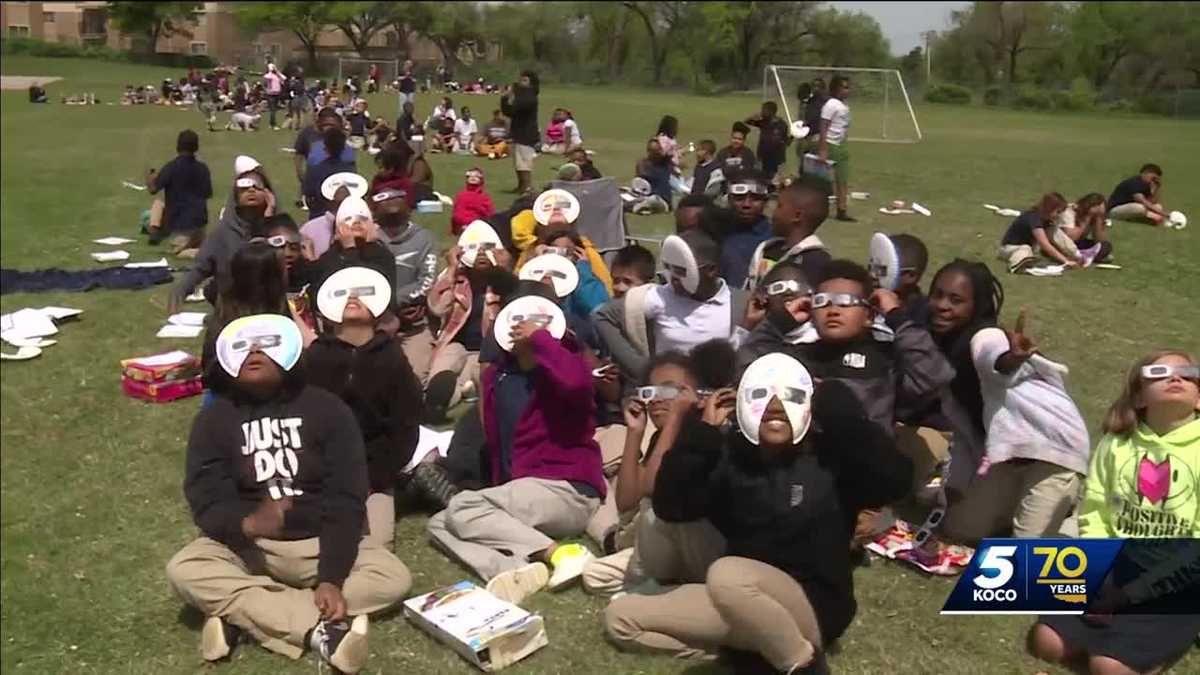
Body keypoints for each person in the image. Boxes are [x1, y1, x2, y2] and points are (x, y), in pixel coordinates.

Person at [605, 354, 912, 671]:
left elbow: (897, 481)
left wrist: (833, 401)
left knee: (727, 575)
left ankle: (802, 663)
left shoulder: (830, 460)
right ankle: (751, 649)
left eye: (791, 396)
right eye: (760, 395)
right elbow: (671, 506)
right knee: (621, 618)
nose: (775, 406)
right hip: (741, 601)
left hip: (812, 607)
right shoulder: (731, 460)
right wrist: (704, 433)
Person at [165, 314, 412, 673]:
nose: (253, 352)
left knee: (394, 578)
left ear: (292, 353)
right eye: (242, 346)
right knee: (184, 569)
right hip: (248, 548)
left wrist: (330, 576)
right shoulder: (214, 419)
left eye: (265, 344)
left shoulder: (328, 410)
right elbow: (205, 499)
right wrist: (248, 523)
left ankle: (245, 613)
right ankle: (315, 628)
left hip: (319, 542)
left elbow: (346, 498)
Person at [426, 281, 603, 603]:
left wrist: (541, 340)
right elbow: (498, 442)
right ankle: (509, 570)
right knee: (441, 522)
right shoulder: (498, 375)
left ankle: (562, 553)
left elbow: (578, 385)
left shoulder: (567, 364)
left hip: (569, 488)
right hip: (524, 490)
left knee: (464, 506)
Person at [1029, 350, 1200, 675]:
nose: (1176, 378)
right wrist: (1098, 573)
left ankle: (1163, 645)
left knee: (1107, 667)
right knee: (1046, 642)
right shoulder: (1117, 443)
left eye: (1189, 374)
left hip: (1176, 580)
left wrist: (1132, 594)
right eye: (1160, 373)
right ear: (1138, 397)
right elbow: (1095, 510)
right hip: (1116, 567)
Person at [937, 303, 1091, 543]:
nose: (942, 305)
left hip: (1054, 453)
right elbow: (966, 437)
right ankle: (1021, 507)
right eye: (938, 295)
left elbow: (996, 361)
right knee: (960, 529)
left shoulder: (987, 336)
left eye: (955, 299)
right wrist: (955, 484)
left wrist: (1011, 358)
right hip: (1010, 459)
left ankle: (1070, 519)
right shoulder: (948, 365)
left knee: (1025, 551)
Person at [582, 350, 727, 596]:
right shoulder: (660, 437)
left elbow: (653, 489)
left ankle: (665, 591)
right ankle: (670, 591)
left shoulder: (705, 435)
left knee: (652, 509)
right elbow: (626, 502)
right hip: (665, 551)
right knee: (595, 575)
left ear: (699, 398)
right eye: (651, 392)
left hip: (703, 551)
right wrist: (635, 431)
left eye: (670, 392)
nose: (657, 400)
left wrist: (675, 418)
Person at [305, 269, 423, 551]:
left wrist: (377, 478)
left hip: (375, 476)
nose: (353, 298)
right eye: (345, 294)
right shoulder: (315, 357)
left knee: (378, 548)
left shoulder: (392, 357)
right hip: (321, 474)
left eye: (362, 293)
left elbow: (405, 424)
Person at [169, 162, 276, 312]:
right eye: (244, 188)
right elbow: (199, 269)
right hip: (232, 309)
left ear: (268, 194)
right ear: (235, 196)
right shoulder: (222, 233)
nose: (251, 190)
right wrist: (180, 290)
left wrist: (269, 217)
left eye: (257, 186)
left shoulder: (279, 229)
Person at [371, 186, 438, 382]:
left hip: (414, 327)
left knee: (414, 379)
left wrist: (392, 303)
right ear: (375, 214)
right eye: (385, 206)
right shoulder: (368, 240)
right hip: (374, 325)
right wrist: (387, 309)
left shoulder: (425, 239)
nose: (392, 208)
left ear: (409, 212)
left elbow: (426, 282)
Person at [746, 175, 832, 289]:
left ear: (797, 216)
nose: (773, 212)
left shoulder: (816, 261)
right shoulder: (768, 249)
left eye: (779, 206)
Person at [146, 130, 213, 253]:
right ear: (196, 147)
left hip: (180, 228)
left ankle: (155, 234)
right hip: (200, 227)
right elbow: (207, 194)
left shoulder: (171, 167)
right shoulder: (203, 168)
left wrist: (150, 177)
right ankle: (202, 248)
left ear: (178, 146)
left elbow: (153, 189)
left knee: (179, 252)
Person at [999, 192, 1081, 273]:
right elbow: (1044, 244)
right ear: (1049, 209)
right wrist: (1065, 261)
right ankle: (1018, 264)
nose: (1058, 215)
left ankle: (1077, 254)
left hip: (1029, 248)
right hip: (1010, 248)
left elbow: (1058, 237)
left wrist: (1075, 255)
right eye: (1058, 212)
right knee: (1025, 249)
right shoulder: (1033, 218)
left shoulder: (1046, 220)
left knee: (1054, 230)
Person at [718, 170, 773, 289]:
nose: (747, 204)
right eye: (739, 198)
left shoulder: (775, 239)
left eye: (755, 199)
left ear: (766, 201)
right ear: (729, 199)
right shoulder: (714, 230)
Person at [819, 75, 854, 222]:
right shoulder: (831, 104)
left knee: (843, 179)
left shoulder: (844, 105)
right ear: (837, 88)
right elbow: (823, 126)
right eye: (844, 87)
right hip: (830, 144)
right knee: (822, 180)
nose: (848, 90)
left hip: (841, 145)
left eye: (848, 87)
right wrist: (823, 149)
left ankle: (842, 210)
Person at [293, 107, 344, 208]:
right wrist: (300, 173)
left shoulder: (338, 136)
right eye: (326, 124)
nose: (328, 127)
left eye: (331, 125)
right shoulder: (307, 133)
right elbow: (299, 153)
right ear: (319, 122)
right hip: (313, 176)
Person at [303, 127, 357, 220]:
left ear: (325, 147)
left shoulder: (316, 170)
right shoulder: (351, 169)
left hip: (320, 215)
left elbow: (308, 194)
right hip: (346, 215)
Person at [500, 70, 540, 194]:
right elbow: (509, 112)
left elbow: (519, 107)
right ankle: (521, 186)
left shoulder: (530, 97)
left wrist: (514, 92)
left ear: (531, 83)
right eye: (520, 79)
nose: (520, 82)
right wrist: (504, 98)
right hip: (517, 132)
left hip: (526, 133)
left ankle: (528, 187)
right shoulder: (521, 96)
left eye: (524, 80)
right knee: (518, 163)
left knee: (524, 162)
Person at [1057, 193, 1113, 265]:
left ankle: (1084, 256)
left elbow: (1100, 241)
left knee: (1106, 246)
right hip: (1063, 243)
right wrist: (1087, 217)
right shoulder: (1068, 212)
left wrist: (1098, 220)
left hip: (1078, 243)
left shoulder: (1096, 217)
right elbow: (1071, 238)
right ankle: (1084, 256)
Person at [890, 233, 931, 325]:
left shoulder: (927, 315)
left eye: (884, 270)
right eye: (871, 267)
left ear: (911, 276)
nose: (873, 274)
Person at [746, 101, 791, 179]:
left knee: (776, 180)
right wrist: (754, 116)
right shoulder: (763, 122)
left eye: (764, 110)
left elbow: (786, 142)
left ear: (772, 111)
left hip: (777, 158)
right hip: (763, 156)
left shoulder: (782, 124)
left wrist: (791, 137)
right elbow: (747, 121)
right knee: (761, 178)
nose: (762, 112)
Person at [633, 138, 674, 214]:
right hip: (645, 197)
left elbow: (672, 155)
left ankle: (640, 207)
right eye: (654, 151)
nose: (658, 152)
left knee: (654, 199)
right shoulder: (644, 164)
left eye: (659, 149)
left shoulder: (665, 163)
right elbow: (639, 183)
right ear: (649, 152)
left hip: (662, 202)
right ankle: (645, 209)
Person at [451, 168, 496, 235]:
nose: (473, 177)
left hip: (480, 226)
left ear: (481, 180)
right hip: (464, 226)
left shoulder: (484, 197)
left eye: (476, 176)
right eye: (470, 176)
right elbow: (457, 213)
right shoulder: (461, 195)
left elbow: (490, 213)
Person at [262, 63, 285, 130]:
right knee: (273, 110)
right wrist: (267, 90)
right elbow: (265, 84)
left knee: (274, 110)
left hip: (277, 94)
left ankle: (271, 124)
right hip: (271, 95)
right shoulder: (268, 76)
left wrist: (277, 71)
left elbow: (284, 78)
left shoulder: (276, 76)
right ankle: (273, 125)